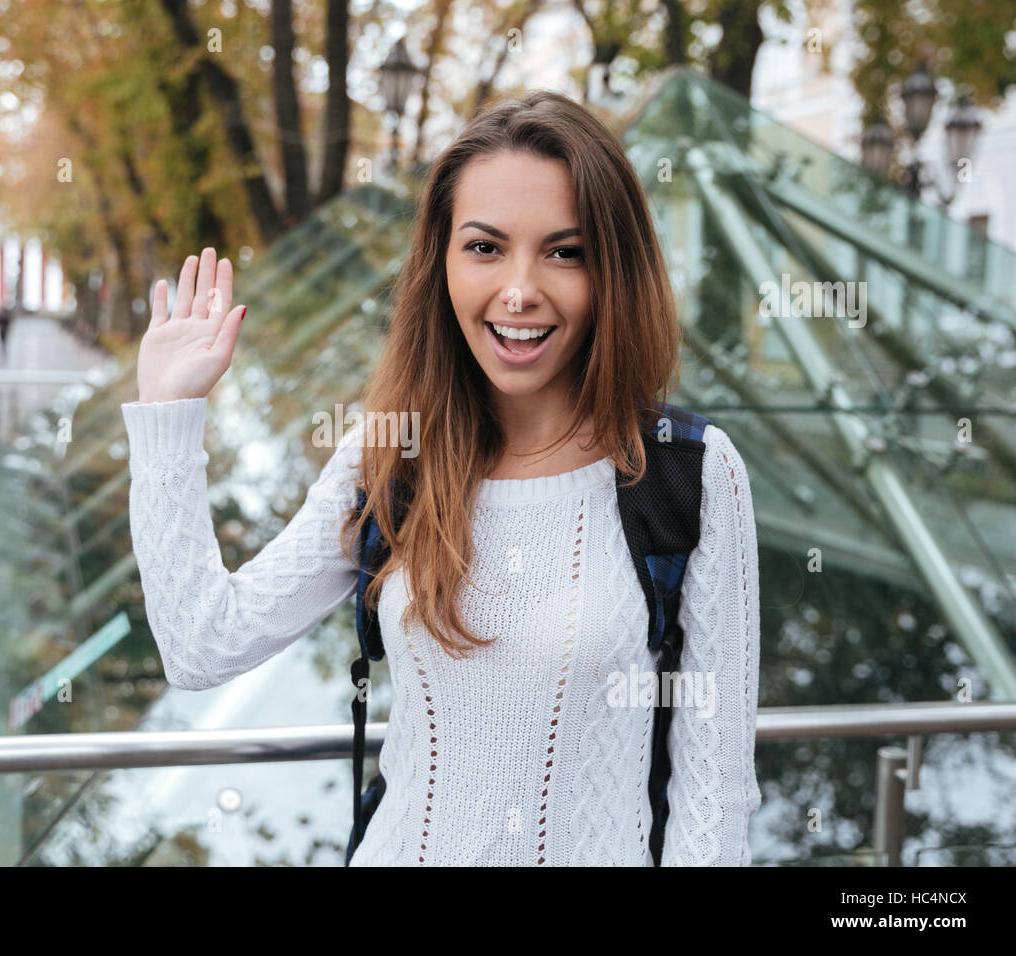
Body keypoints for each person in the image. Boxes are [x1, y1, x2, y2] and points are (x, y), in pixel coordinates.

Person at [122, 91, 761, 866]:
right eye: (485, 247)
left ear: (613, 270)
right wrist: (168, 415)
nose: (520, 290)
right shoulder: (388, 458)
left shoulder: (688, 473)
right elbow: (201, 647)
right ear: (442, 262)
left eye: (565, 251)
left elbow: (715, 792)